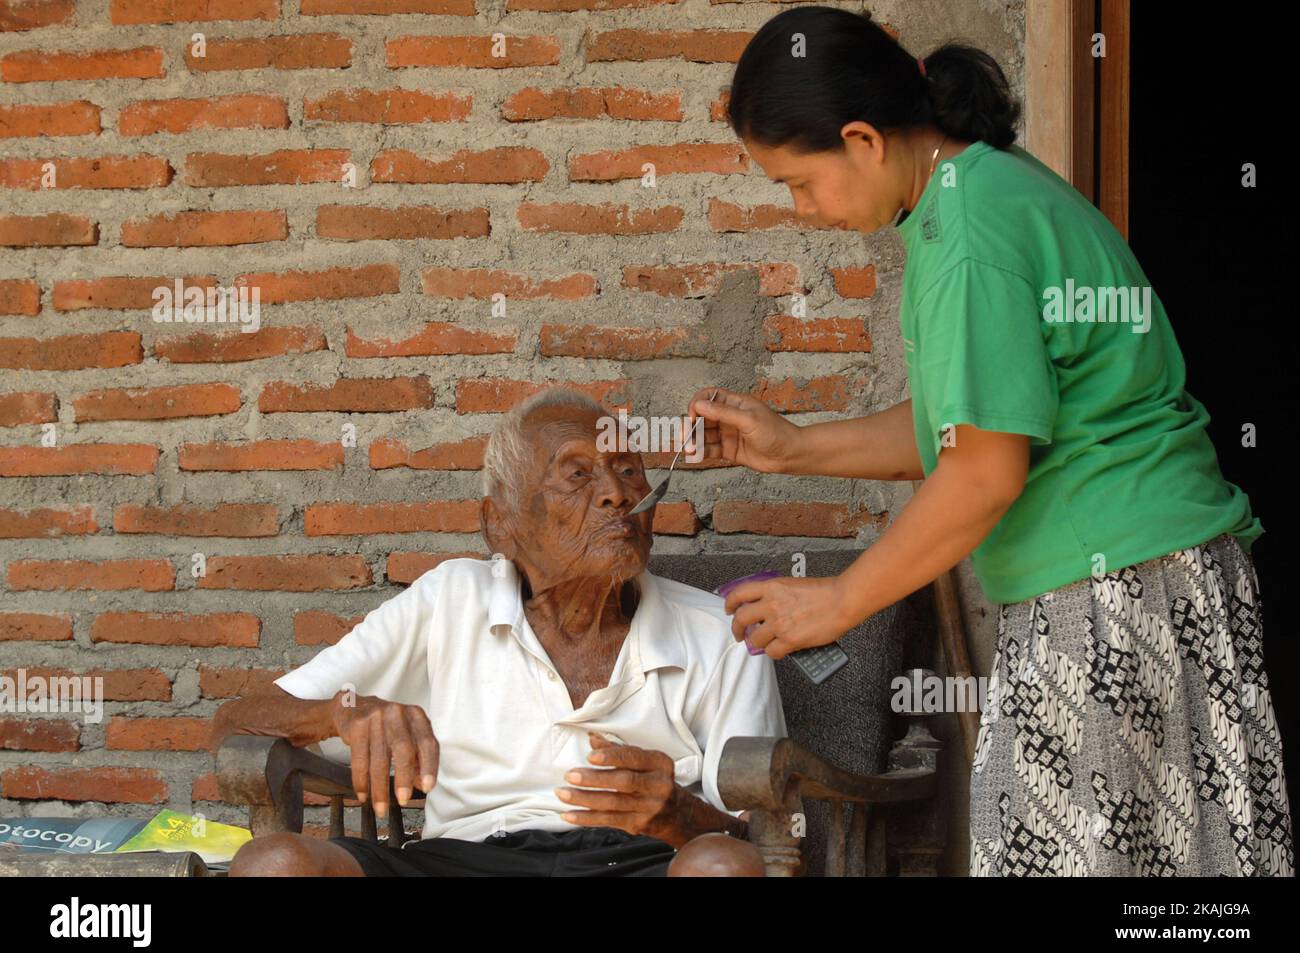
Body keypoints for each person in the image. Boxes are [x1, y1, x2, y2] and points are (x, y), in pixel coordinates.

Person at [686, 5, 1293, 876]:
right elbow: (970, 426)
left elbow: (984, 471)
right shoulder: (972, 195)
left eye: (797, 181)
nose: (805, 209)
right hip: (1149, 574)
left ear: (861, 138)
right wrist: (793, 448)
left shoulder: (968, 235)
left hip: (1116, 591)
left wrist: (837, 600)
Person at [214, 387, 785, 877]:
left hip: (639, 861)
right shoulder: (450, 599)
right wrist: (340, 712)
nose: (618, 493)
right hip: (464, 858)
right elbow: (232, 721)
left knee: (722, 866)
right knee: (276, 864)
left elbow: (767, 837)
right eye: (578, 475)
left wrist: (683, 816)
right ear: (501, 524)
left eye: (629, 471)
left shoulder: (724, 630)